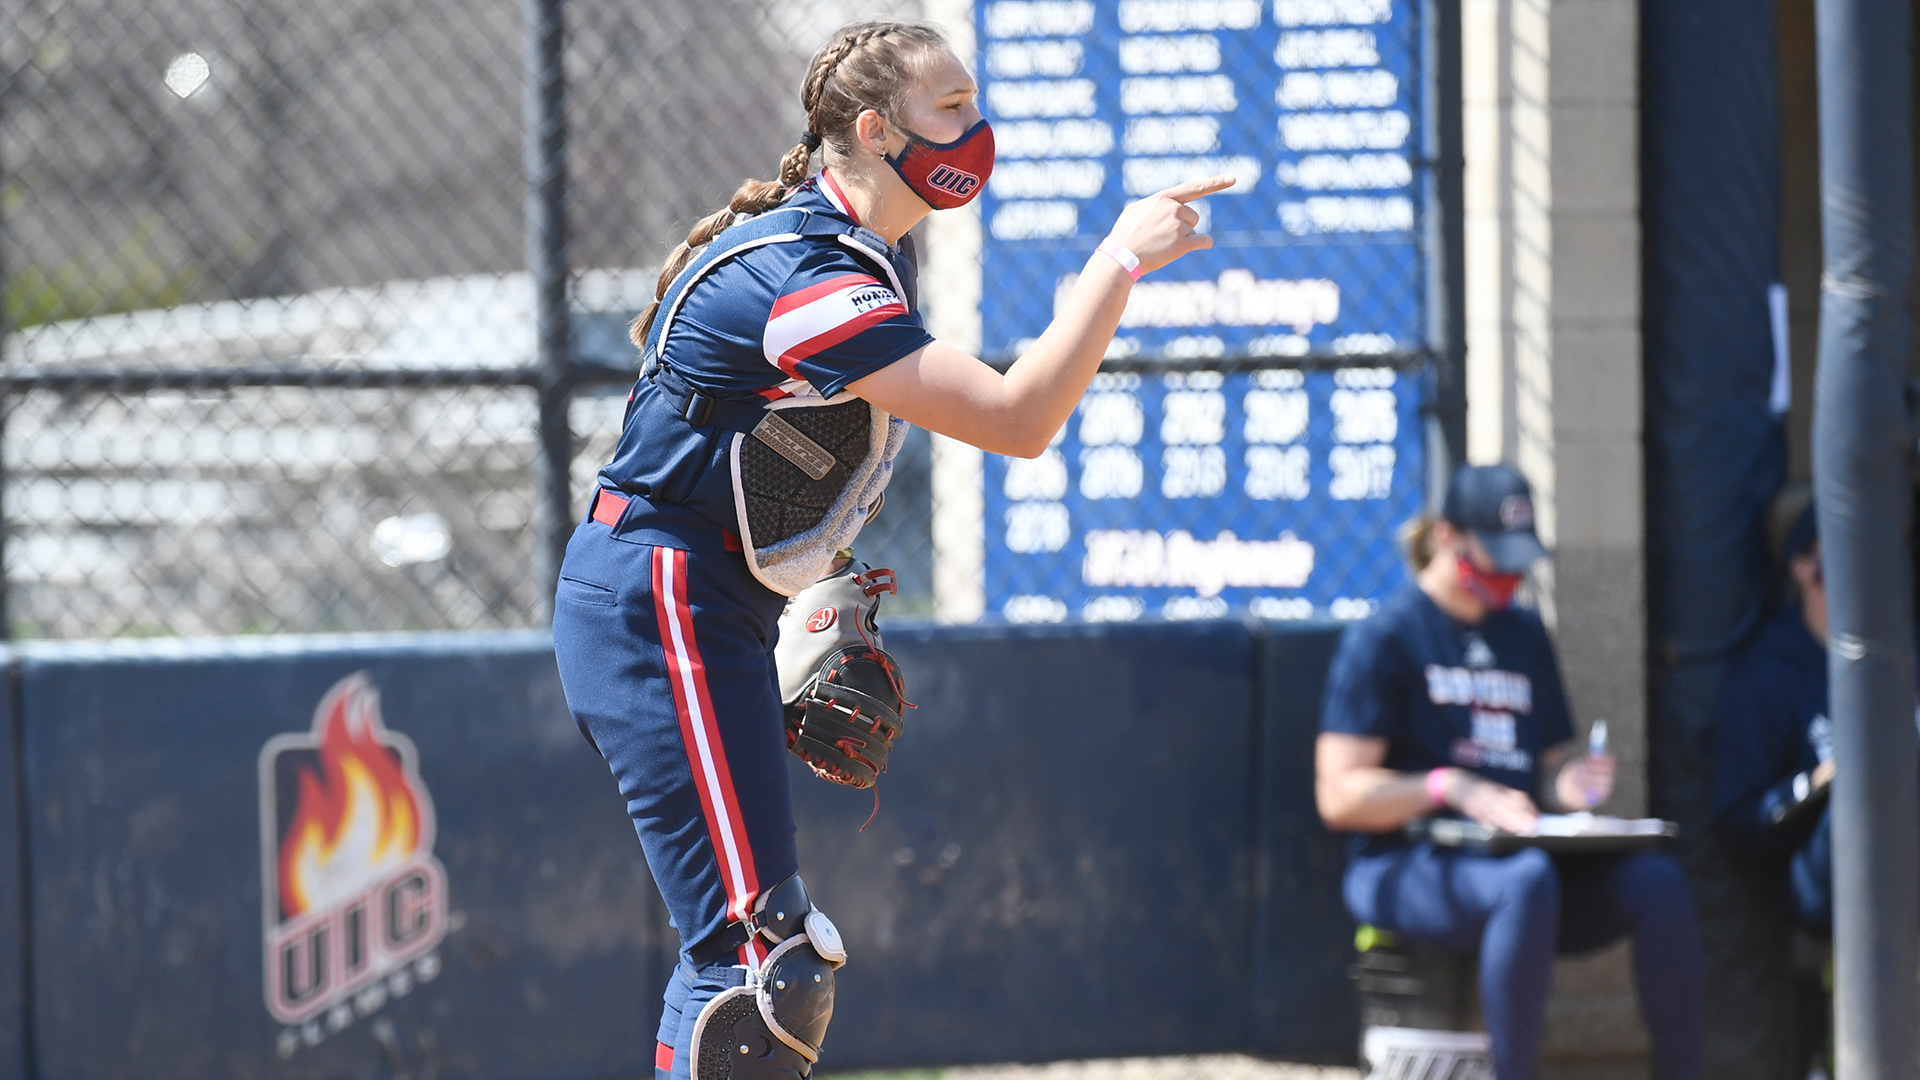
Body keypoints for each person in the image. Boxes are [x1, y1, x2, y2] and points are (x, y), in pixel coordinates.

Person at [550, 20, 1230, 1080]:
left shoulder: (866, 250)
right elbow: (1016, 417)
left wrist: (799, 592)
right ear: (874, 129)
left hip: (701, 596)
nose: (976, 123)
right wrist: (1118, 258)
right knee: (759, 964)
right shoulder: (810, 273)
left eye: (969, 99)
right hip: (658, 601)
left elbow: (759, 456)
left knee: (761, 953)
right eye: (949, 105)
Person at [1315, 463, 1705, 1080]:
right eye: (1493, 559)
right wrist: (1447, 785)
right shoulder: (1388, 636)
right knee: (1524, 882)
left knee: (1656, 883)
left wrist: (1571, 785)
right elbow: (1338, 796)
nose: (1506, 577)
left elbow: (1546, 774)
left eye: (1517, 561)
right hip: (1407, 864)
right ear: (1449, 537)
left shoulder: (1523, 634)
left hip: (1525, 862)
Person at [1713, 496, 1844, 933]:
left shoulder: (1904, 653)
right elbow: (1740, 824)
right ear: (1804, 567)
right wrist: (1817, 783)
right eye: (1844, 549)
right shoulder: (1766, 675)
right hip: (1826, 876)